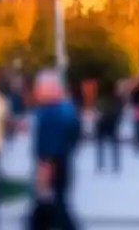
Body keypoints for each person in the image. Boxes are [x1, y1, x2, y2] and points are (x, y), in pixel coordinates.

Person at [29, 70, 81, 230]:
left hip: (52, 167)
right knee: (54, 207)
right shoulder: (68, 109)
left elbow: (49, 149)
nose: (36, 92)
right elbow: (74, 137)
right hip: (63, 163)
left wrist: (43, 174)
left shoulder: (50, 113)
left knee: (56, 208)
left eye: (39, 88)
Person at [94, 81, 123, 174]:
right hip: (110, 124)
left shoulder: (103, 99)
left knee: (102, 146)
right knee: (112, 146)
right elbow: (119, 113)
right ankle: (114, 165)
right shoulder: (117, 99)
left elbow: (98, 111)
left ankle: (102, 165)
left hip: (104, 124)